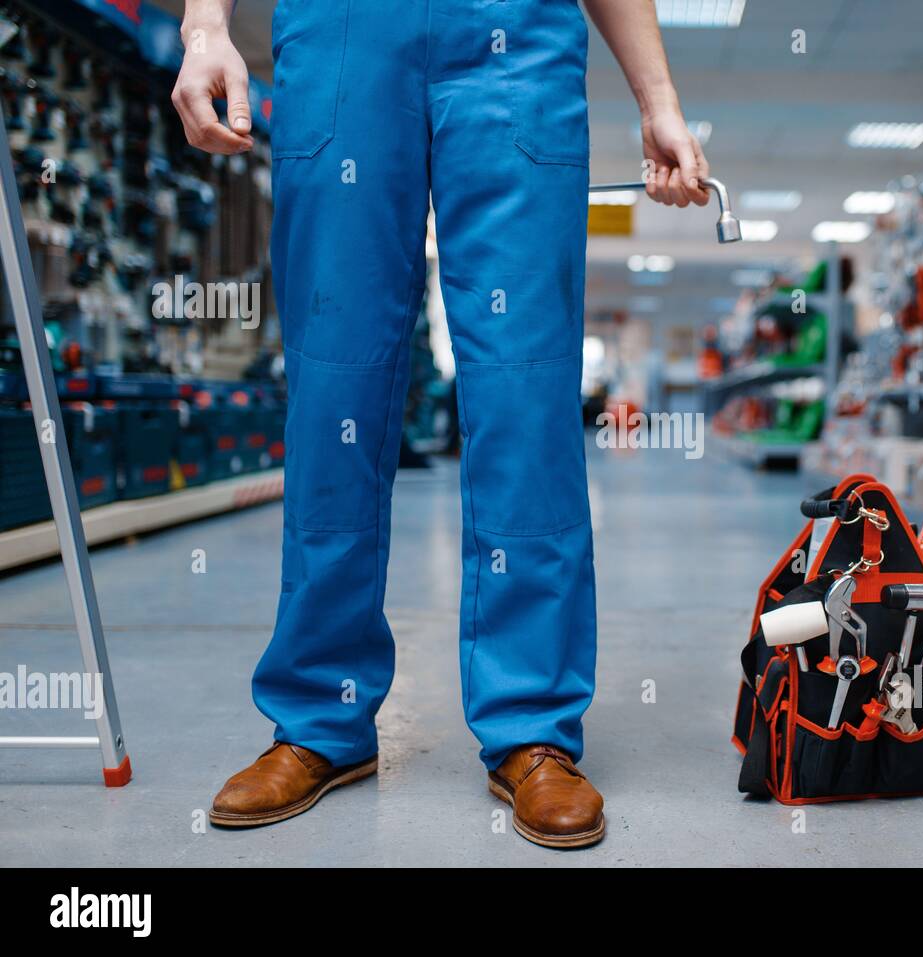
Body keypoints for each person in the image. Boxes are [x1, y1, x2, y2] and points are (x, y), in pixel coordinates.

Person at [171, 0, 710, 848]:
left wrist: (658, 96)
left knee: (528, 396)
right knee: (334, 390)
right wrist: (206, 29)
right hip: (342, 34)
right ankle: (320, 718)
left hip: (516, 37)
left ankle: (531, 727)